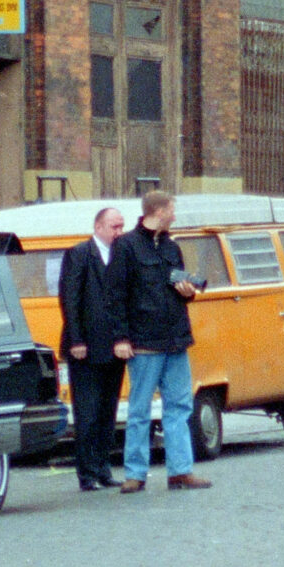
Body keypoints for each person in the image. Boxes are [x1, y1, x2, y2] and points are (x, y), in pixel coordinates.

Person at [116, 190, 209, 493]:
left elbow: (180, 288)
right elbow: (115, 297)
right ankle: (135, 473)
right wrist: (120, 337)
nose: (175, 215)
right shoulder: (126, 246)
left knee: (180, 407)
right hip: (143, 342)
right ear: (157, 211)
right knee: (140, 410)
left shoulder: (172, 247)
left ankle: (180, 471)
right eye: (172, 209)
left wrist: (189, 292)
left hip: (175, 339)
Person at [58, 206, 133, 490]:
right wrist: (76, 340)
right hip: (86, 348)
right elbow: (70, 298)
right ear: (99, 226)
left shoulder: (121, 255)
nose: (119, 232)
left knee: (107, 411)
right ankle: (87, 473)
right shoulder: (79, 254)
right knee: (87, 414)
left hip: (115, 346)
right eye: (115, 226)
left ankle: (103, 468)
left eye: (122, 226)